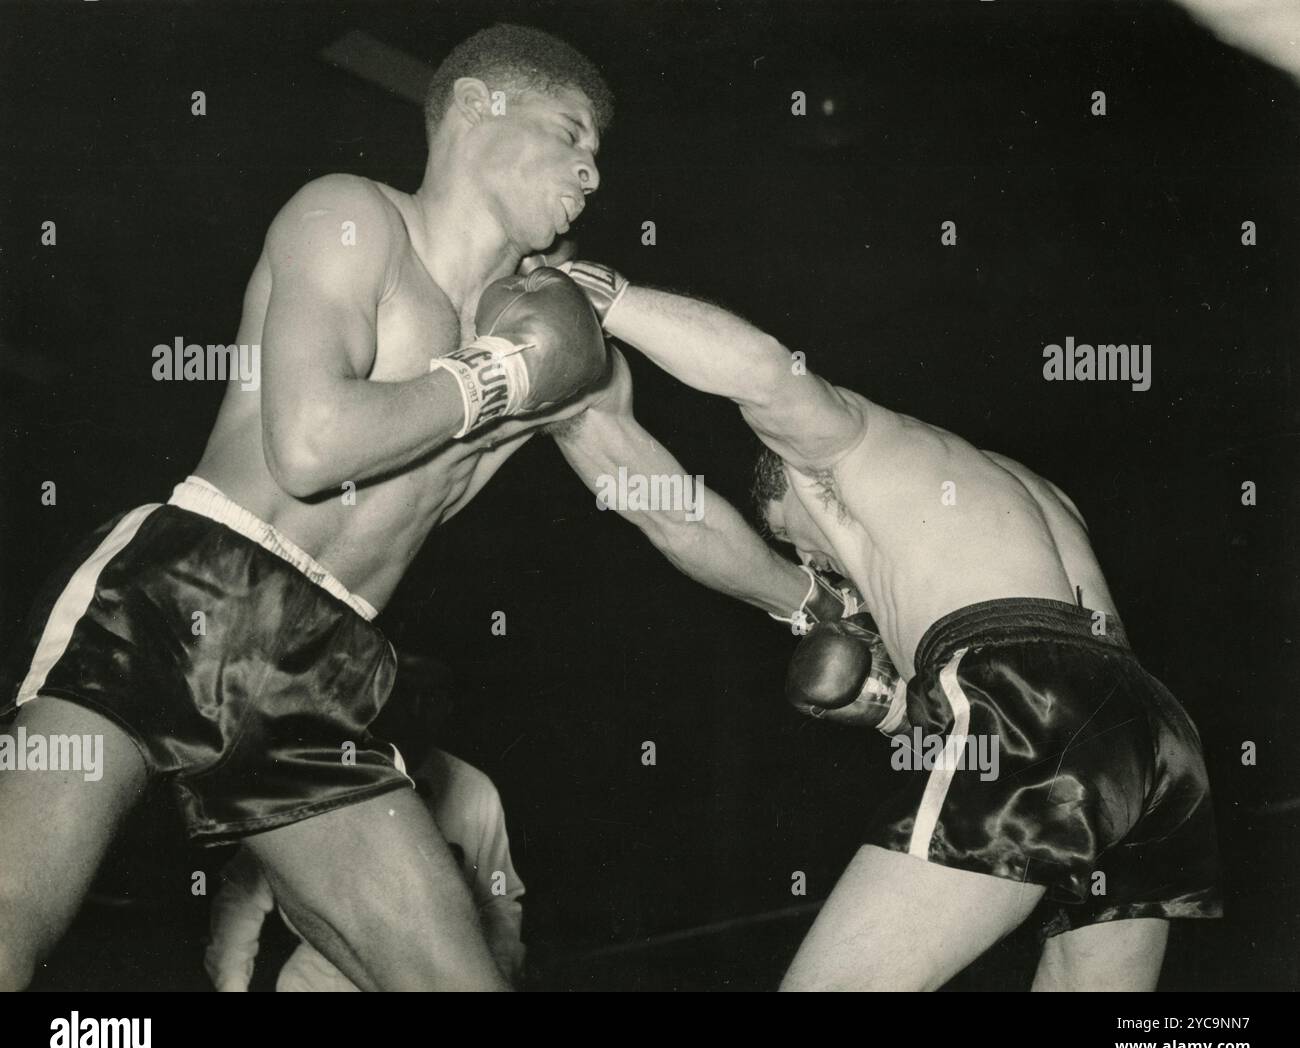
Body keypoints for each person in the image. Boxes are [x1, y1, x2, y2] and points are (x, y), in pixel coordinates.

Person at [0, 23, 622, 992]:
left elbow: (669, 504)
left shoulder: (547, 342)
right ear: (474, 107)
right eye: (570, 132)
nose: (590, 170)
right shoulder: (351, 216)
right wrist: (494, 378)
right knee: (11, 917)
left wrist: (801, 599)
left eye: (597, 155)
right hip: (181, 588)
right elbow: (309, 446)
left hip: (320, 663)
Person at [548, 258, 1222, 991]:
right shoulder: (1006, 487)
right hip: (1153, 734)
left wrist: (600, 300)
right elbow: (1057, 670)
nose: (826, 573)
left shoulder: (836, 446)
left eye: (805, 550)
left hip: (1032, 696)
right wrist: (895, 703)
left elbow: (757, 386)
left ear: (790, 480)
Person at [205, 748, 525, 991]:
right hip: (322, 979)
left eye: (431, 696)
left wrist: (493, 973)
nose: (416, 709)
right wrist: (231, 985)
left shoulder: (474, 789)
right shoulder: (318, 780)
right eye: (407, 691)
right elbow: (242, 896)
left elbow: (500, 898)